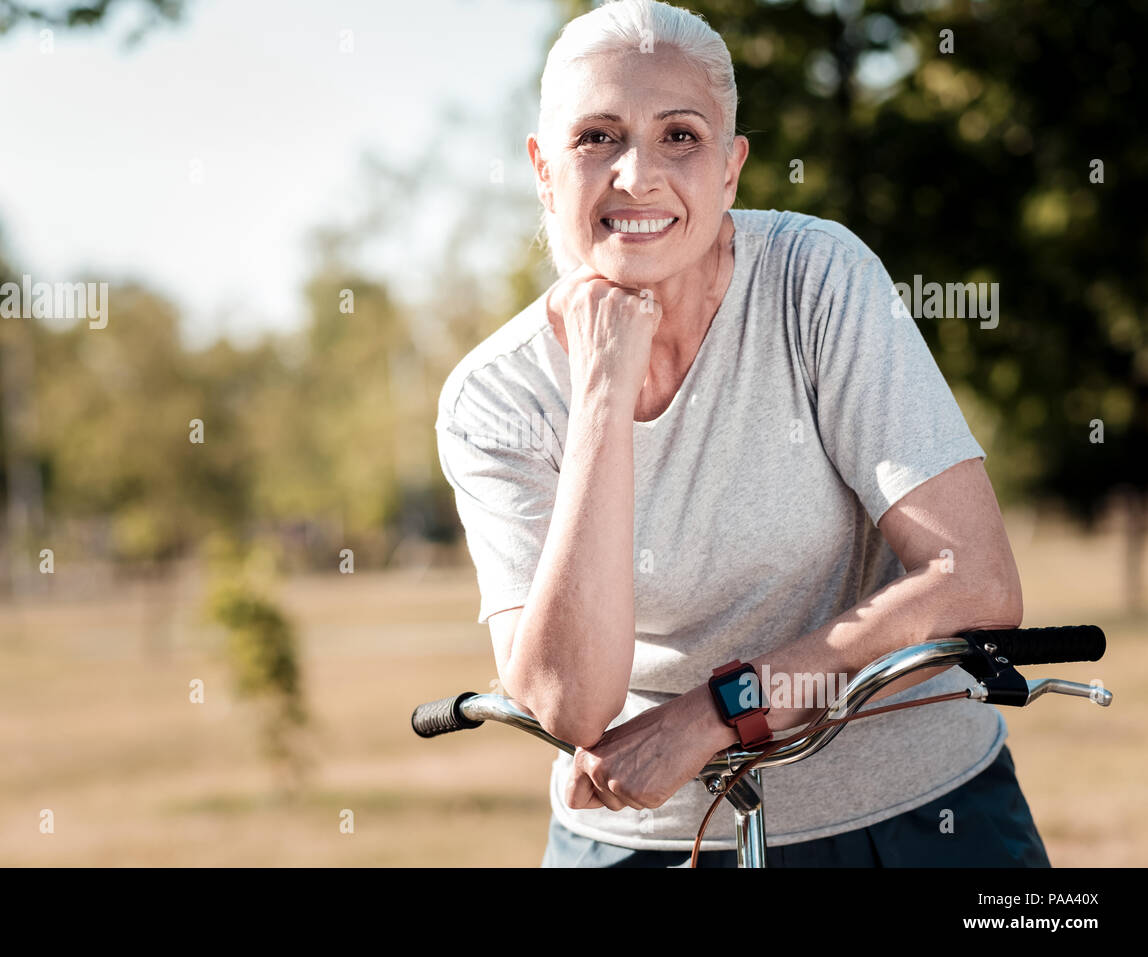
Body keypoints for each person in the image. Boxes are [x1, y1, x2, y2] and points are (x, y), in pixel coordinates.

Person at [434, 0, 1048, 867]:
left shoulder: (816, 278)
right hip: (642, 839)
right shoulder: (492, 398)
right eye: (597, 137)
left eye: (680, 136)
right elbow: (568, 705)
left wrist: (720, 709)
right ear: (543, 168)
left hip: (916, 816)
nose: (637, 175)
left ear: (730, 168)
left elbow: (973, 578)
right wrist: (605, 386)